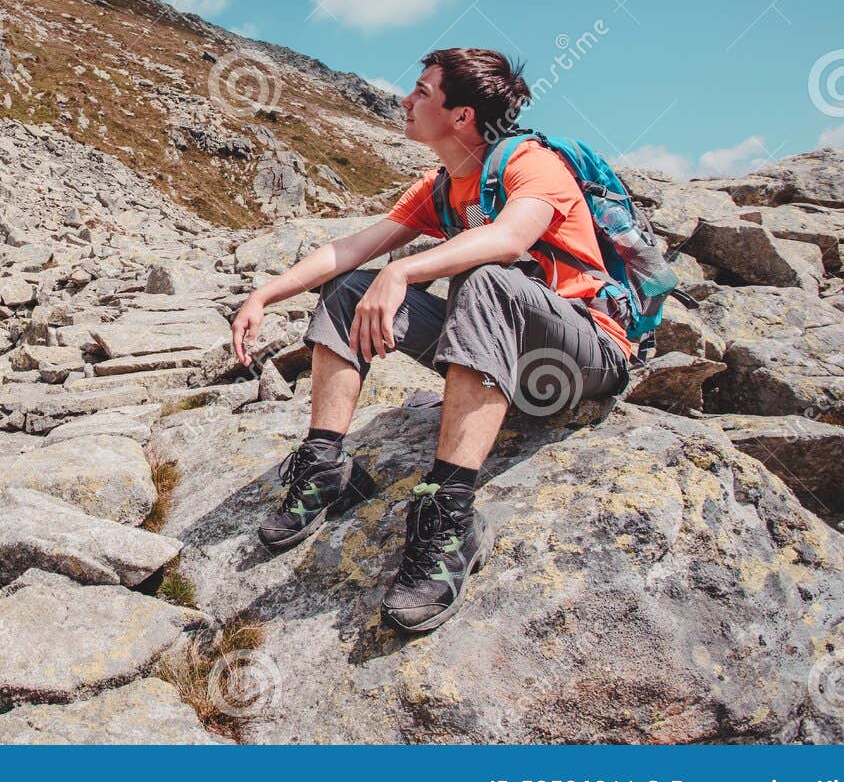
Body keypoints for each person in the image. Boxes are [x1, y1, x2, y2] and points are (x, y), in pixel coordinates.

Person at [230, 47, 633, 632]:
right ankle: (324, 465)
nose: (404, 100)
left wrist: (405, 271)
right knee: (349, 288)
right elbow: (350, 248)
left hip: (582, 354)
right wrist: (264, 295)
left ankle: (449, 517)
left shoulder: (530, 162)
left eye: (421, 91)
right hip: (506, 358)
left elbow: (511, 236)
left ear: (462, 115)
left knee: (488, 275)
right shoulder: (442, 186)